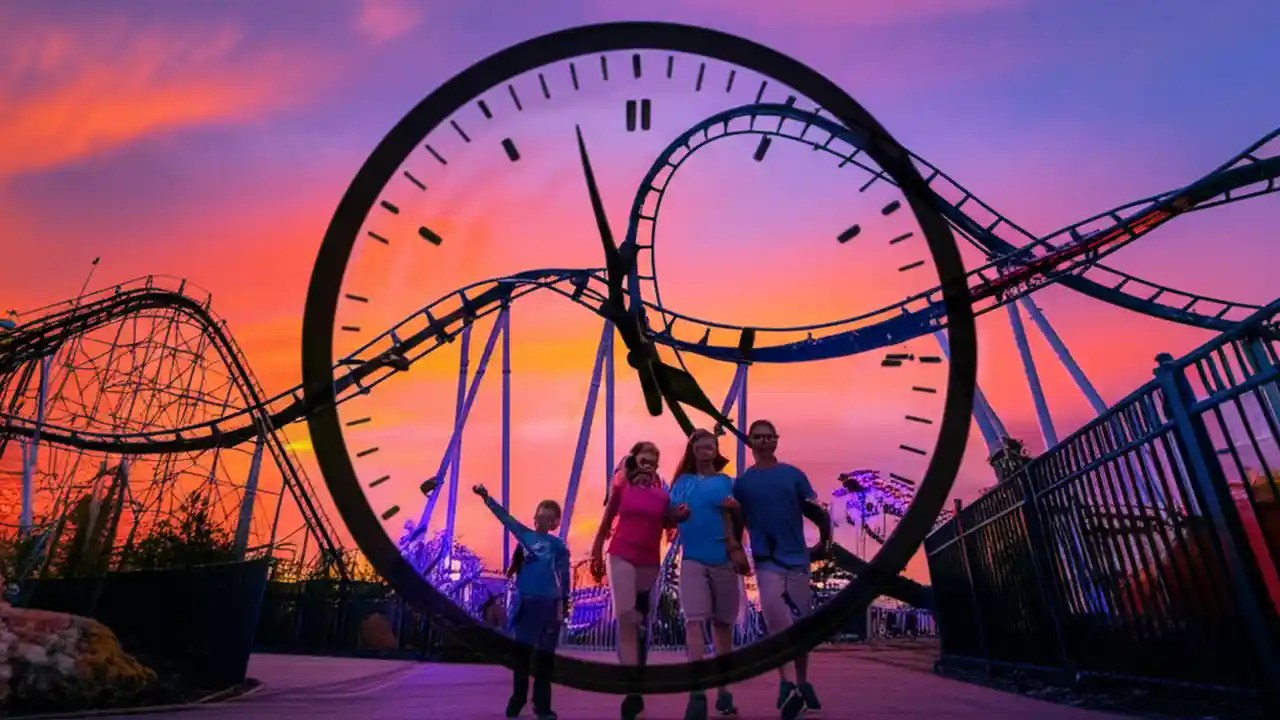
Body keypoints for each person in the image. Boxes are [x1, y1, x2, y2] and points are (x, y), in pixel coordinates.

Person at [733, 419, 827, 719]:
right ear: (750, 443)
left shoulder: (793, 475)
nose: (762, 441)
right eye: (757, 437)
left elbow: (813, 507)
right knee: (778, 620)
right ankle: (785, 683)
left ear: (776, 440)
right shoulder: (743, 484)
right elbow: (737, 522)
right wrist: (737, 551)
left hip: (797, 558)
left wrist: (824, 540)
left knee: (801, 625)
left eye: (768, 436)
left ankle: (802, 681)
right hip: (766, 560)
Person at [589, 441, 690, 720]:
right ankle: (631, 689)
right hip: (621, 554)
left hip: (648, 560)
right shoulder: (622, 486)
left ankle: (637, 680)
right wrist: (596, 551)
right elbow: (607, 518)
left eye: (655, 464)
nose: (650, 468)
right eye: (645, 462)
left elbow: (671, 518)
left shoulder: (661, 493)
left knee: (643, 623)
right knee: (626, 616)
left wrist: (680, 514)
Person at [669, 429, 749, 720]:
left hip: (723, 560)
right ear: (692, 451)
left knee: (722, 625)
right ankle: (696, 690)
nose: (706, 451)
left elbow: (742, 517)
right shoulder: (681, 483)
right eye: (700, 447)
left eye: (710, 446)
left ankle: (723, 690)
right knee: (693, 622)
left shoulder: (727, 482)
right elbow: (669, 514)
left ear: (716, 450)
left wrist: (736, 512)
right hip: (692, 559)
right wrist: (677, 515)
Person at [474, 483, 569, 720]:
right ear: (535, 518)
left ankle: (542, 706)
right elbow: (505, 518)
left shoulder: (558, 546)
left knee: (545, 661)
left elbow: (565, 576)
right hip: (527, 603)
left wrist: (563, 605)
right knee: (522, 658)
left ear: (555, 523)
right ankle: (517, 701)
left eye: (550, 518)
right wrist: (487, 498)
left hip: (548, 604)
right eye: (541, 515)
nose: (543, 521)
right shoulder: (524, 536)